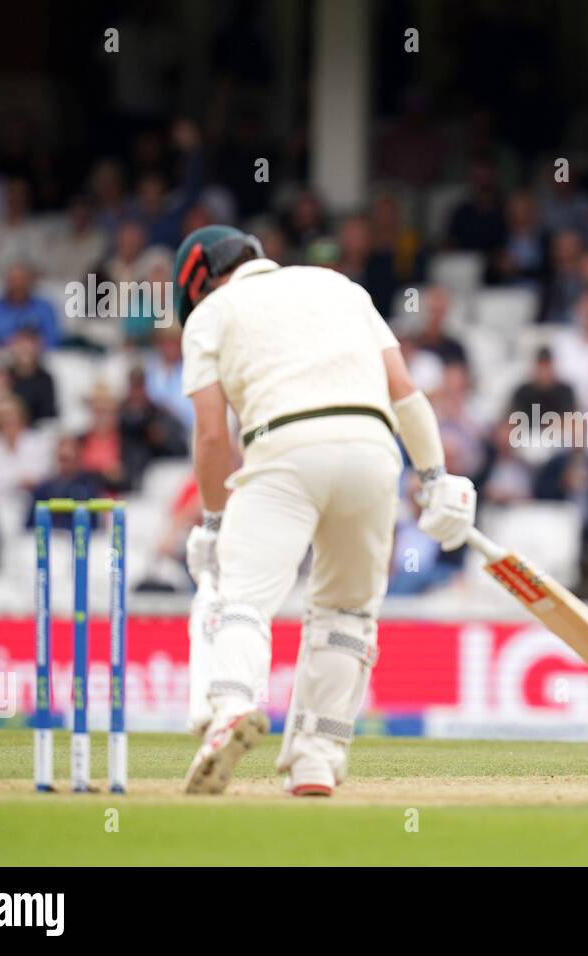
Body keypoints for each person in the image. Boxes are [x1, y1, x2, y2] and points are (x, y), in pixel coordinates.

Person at [173, 225, 476, 797]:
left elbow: (213, 439)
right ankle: (317, 755)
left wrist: (215, 523)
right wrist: (436, 477)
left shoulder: (211, 314)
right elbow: (405, 391)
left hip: (284, 450)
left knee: (242, 596)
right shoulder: (341, 288)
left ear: (198, 282)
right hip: (372, 451)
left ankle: (233, 708)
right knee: (348, 613)